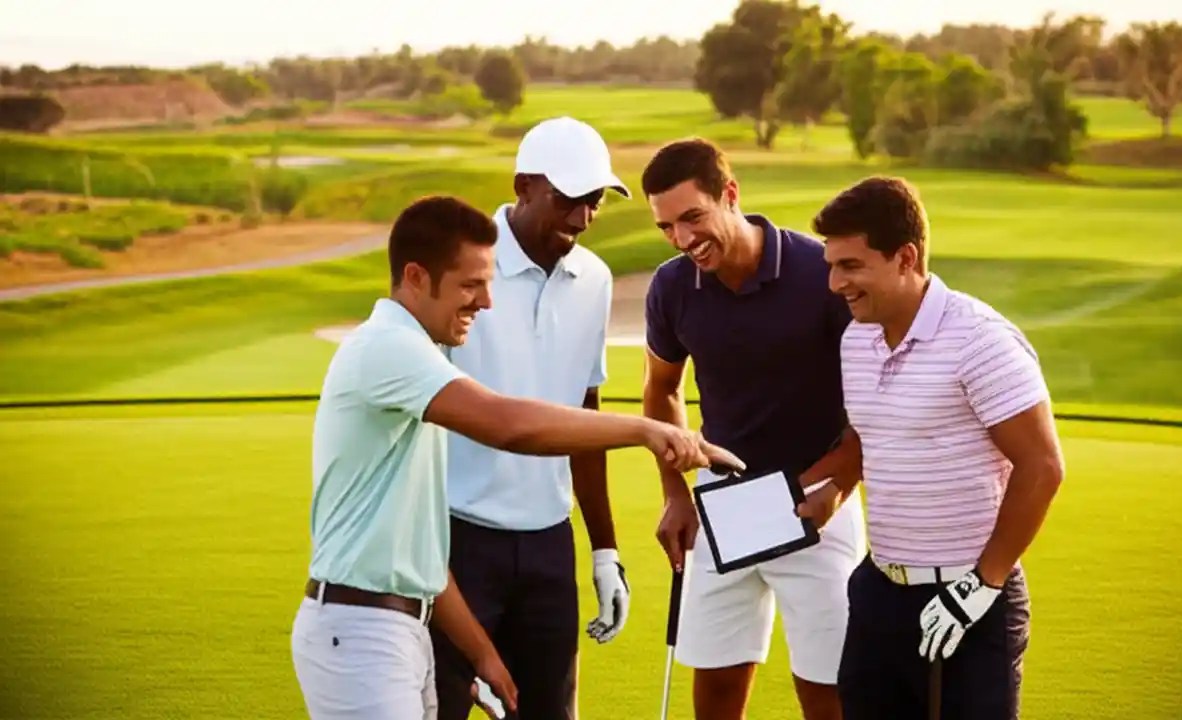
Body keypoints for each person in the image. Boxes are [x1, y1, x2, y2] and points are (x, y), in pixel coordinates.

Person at [290, 195, 744, 720]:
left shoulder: (422, 363)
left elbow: (426, 565)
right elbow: (509, 425)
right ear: (415, 277)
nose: (486, 303)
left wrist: (485, 655)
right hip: (360, 632)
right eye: (470, 285)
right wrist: (647, 430)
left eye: (488, 283)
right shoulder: (388, 349)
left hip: (398, 629)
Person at [798, 175, 1065, 719]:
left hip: (971, 599)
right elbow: (871, 438)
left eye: (850, 266)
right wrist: (835, 489)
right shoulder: (858, 338)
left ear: (905, 257)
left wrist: (982, 584)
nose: (834, 283)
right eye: (830, 265)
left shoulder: (980, 340)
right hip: (881, 593)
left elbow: (1041, 467)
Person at [640, 137, 868, 720]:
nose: (683, 240)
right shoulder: (670, 287)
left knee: (828, 690)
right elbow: (662, 389)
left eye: (693, 217)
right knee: (715, 688)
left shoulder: (818, 273)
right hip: (724, 504)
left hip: (816, 502)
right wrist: (676, 495)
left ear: (730, 195)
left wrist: (838, 483)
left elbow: (875, 401)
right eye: (667, 227)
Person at [431, 116, 633, 720]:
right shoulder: (462, 266)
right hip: (457, 540)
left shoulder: (593, 278)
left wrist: (604, 550)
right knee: (440, 708)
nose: (582, 218)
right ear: (523, 187)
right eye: (568, 200)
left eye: (594, 202)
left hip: (549, 544)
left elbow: (584, 414)